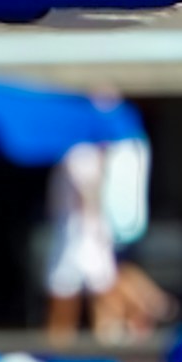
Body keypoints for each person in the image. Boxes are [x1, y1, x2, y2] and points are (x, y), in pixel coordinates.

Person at [43, 140, 120, 338]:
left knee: (100, 296)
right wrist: (96, 224)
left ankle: (105, 349)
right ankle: (61, 350)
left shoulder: (91, 153)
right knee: (67, 297)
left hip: (83, 231)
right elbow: (86, 192)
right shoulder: (80, 153)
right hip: (79, 234)